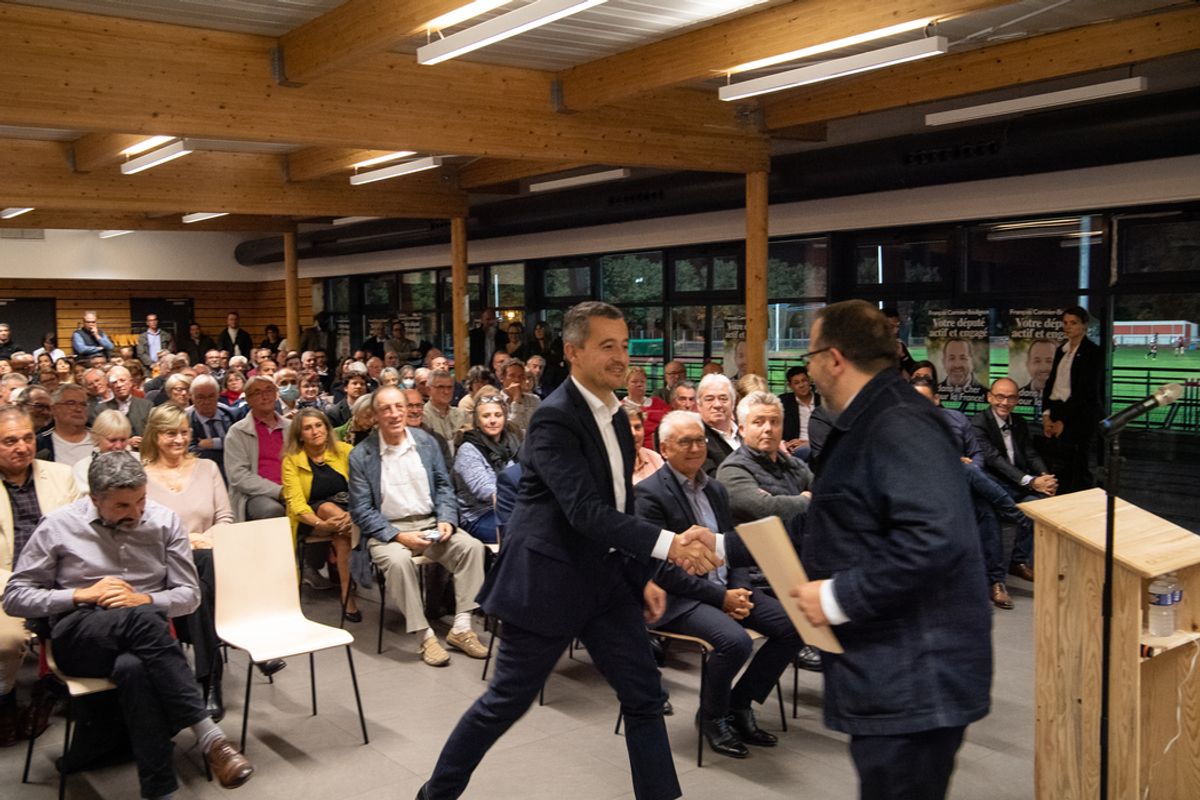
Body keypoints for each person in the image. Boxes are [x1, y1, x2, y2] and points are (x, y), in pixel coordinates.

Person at [420, 301, 721, 800]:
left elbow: (620, 507)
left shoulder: (618, 418)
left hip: (607, 583)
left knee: (645, 697)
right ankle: (435, 794)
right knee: (504, 702)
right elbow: (585, 513)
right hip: (548, 583)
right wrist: (670, 546)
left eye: (624, 345)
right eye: (608, 346)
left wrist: (642, 573)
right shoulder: (555, 419)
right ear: (573, 351)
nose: (621, 356)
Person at [791, 300, 991, 800]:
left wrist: (837, 598)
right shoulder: (874, 418)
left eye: (811, 356)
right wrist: (726, 545)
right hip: (893, 673)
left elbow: (933, 538)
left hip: (915, 677)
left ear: (835, 358)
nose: (809, 370)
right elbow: (843, 518)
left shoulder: (897, 422)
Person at [2, 451, 255, 795]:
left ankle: (160, 789)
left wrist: (146, 599)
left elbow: (190, 596)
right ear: (94, 499)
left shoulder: (164, 521)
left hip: (145, 636)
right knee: (142, 624)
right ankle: (208, 735)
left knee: (134, 666)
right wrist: (80, 595)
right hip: (81, 632)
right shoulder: (60, 525)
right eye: (122, 506)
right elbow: (15, 597)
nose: (135, 513)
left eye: (141, 500)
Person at [638, 410, 802, 759]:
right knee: (735, 642)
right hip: (680, 598)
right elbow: (662, 570)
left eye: (699, 440)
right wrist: (721, 596)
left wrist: (738, 589)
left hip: (726, 587)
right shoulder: (649, 495)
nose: (697, 448)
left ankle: (738, 705)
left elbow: (730, 546)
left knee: (792, 627)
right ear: (664, 449)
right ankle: (711, 717)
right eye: (685, 442)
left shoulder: (714, 488)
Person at [348, 386, 489, 667]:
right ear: (375, 415)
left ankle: (462, 628)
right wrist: (400, 536)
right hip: (389, 531)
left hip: (430, 524)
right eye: (386, 409)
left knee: (472, 548)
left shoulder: (426, 442)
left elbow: (444, 487)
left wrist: (447, 520)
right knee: (399, 562)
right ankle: (424, 636)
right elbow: (362, 510)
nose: (395, 413)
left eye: (399, 406)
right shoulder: (361, 455)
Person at [141, 404, 233, 720]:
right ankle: (210, 679)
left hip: (210, 556)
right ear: (154, 436)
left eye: (183, 432)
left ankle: (207, 678)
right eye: (170, 434)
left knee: (202, 568)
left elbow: (225, 517)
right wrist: (185, 543)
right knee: (198, 574)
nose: (179, 440)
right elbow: (140, 530)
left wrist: (205, 539)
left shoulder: (207, 468)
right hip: (161, 564)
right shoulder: (140, 474)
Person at [0, 404, 81, 746]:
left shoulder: (60, 475)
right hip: (8, 584)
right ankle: (5, 700)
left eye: (28, 437)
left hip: (64, 578)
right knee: (7, 641)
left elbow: (82, 533)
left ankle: (60, 691)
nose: (22, 446)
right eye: (10, 441)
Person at [972, 378, 1057, 583]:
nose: (1005, 402)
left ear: (1017, 400)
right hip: (992, 486)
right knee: (1021, 512)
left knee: (1041, 506)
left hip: (1017, 483)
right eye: (1000, 396)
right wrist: (1030, 481)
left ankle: (1018, 562)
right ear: (989, 397)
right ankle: (996, 576)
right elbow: (995, 460)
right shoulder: (978, 423)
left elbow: (1030, 454)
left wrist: (1045, 477)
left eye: (1011, 397)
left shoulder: (1019, 422)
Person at [282, 409, 359, 620]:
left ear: (327, 427)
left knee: (341, 536)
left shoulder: (346, 451)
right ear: (299, 435)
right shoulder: (292, 460)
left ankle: (346, 595)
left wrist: (353, 513)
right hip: (310, 515)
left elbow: (362, 489)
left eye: (318, 425)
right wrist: (320, 524)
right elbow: (297, 504)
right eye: (308, 428)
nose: (315, 431)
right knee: (327, 509)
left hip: (348, 512)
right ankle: (364, 549)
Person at [715, 391, 813, 529]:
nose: (768, 429)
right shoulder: (732, 469)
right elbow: (765, 509)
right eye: (758, 422)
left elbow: (827, 495)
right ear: (742, 430)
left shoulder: (794, 465)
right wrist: (806, 499)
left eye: (774, 422)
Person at [1041, 305, 1102, 494]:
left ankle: (1081, 503)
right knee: (1057, 464)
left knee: (1078, 465)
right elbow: (1052, 384)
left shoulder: (1093, 352)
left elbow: (1086, 391)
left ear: (1084, 325)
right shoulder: (1062, 350)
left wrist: (1063, 421)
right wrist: (1047, 416)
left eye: (1073, 323)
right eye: (1065, 323)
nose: (1068, 327)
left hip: (1080, 415)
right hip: (1058, 410)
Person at [452, 393, 520, 545]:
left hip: (512, 509)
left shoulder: (513, 443)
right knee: (527, 532)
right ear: (477, 420)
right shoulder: (468, 449)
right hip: (479, 515)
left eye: (498, 415)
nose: (493, 420)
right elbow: (486, 491)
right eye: (486, 416)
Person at [225, 375, 290, 521]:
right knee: (272, 510)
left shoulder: (291, 427)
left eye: (269, 390)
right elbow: (238, 476)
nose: (265, 396)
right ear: (248, 399)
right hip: (255, 495)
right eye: (257, 392)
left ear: (276, 394)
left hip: (294, 489)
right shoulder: (237, 432)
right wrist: (279, 491)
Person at [72, 409, 132, 493]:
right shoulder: (82, 468)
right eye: (112, 440)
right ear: (96, 438)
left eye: (123, 440)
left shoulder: (140, 462)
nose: (118, 446)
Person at [35, 383, 92, 467]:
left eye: (83, 404)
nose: (79, 409)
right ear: (54, 409)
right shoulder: (40, 444)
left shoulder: (101, 438)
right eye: (71, 403)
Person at [697, 372, 740, 476]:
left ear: (733, 403)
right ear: (699, 405)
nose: (717, 404)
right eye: (709, 399)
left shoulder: (747, 432)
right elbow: (711, 477)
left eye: (723, 398)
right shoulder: (696, 438)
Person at [99, 365, 153, 443]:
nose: (119, 385)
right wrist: (127, 442)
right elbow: (101, 438)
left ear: (131, 382)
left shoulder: (147, 406)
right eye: (114, 382)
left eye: (122, 380)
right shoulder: (101, 410)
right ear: (109, 386)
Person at [623, 365, 668, 448]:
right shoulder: (621, 407)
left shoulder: (658, 402)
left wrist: (648, 414)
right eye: (634, 382)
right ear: (626, 384)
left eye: (642, 381)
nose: (639, 384)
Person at [424, 369, 465, 455]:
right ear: (428, 390)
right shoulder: (423, 416)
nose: (446, 392)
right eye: (440, 387)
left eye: (449, 387)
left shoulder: (460, 414)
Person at [780, 364, 818, 452]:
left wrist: (808, 443)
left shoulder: (822, 401)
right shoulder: (784, 402)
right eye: (796, 383)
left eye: (804, 381)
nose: (801, 385)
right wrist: (784, 443)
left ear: (809, 381)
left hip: (817, 446)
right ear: (790, 386)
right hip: (793, 449)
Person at [499, 357, 540, 436]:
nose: (517, 380)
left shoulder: (534, 400)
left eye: (521, 376)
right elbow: (510, 430)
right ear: (502, 378)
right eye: (512, 375)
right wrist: (517, 401)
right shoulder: (496, 402)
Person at [624, 405, 664, 484]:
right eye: (627, 428)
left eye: (637, 427)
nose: (633, 433)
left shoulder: (655, 458)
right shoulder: (608, 463)